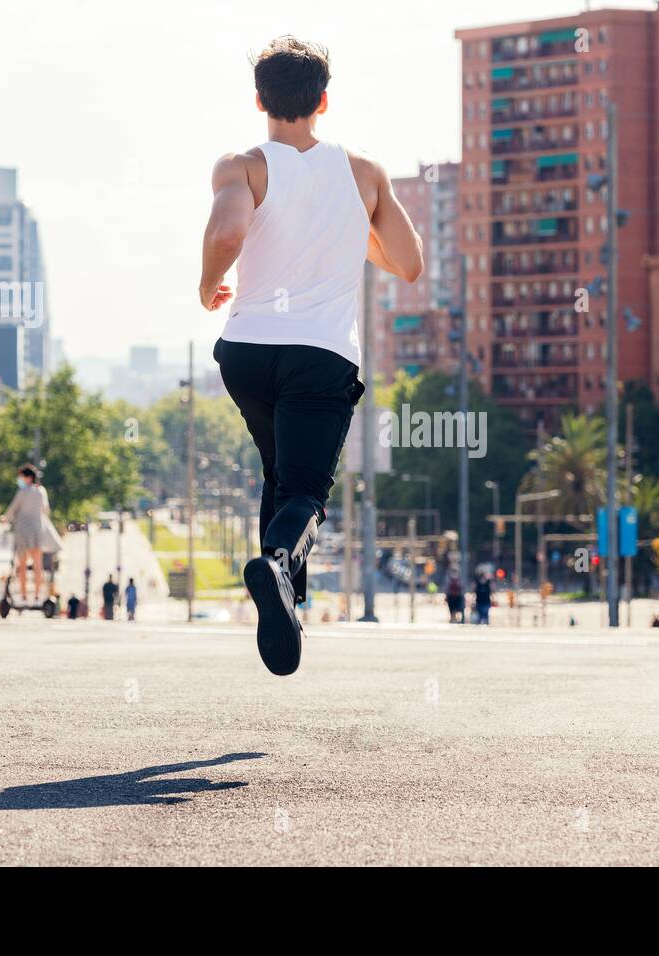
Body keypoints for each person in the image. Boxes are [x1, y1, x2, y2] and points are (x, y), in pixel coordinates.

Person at [200, 37, 423, 676]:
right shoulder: (363, 173)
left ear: (259, 100)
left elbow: (227, 232)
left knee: (279, 473)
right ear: (323, 101)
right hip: (321, 357)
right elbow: (408, 264)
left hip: (246, 353)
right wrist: (356, 230)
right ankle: (277, 568)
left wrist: (206, 281)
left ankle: (288, 605)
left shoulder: (242, 166)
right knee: (305, 489)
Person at [2, 464, 62, 604]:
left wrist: (5, 518)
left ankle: (23, 596)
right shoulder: (41, 491)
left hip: (23, 530)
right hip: (37, 530)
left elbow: (13, 508)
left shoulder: (22, 492)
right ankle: (36, 596)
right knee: (37, 564)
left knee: (22, 564)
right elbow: (45, 510)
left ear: (28, 477)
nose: (20, 479)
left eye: (21, 477)